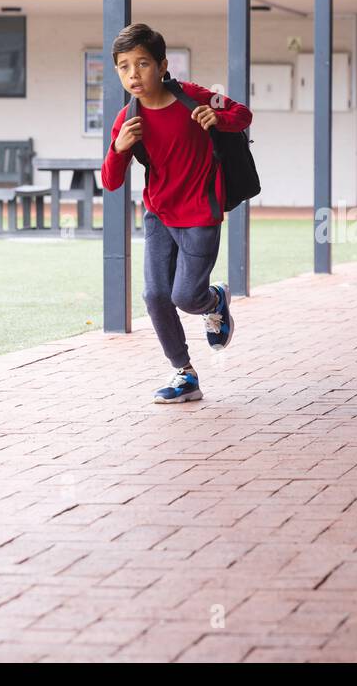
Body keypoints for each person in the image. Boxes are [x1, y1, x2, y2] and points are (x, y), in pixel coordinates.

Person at [100, 23, 253, 404]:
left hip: (201, 214)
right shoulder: (127, 118)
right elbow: (111, 182)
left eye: (143, 64)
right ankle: (184, 373)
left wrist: (218, 119)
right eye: (124, 67)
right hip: (158, 215)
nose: (134, 75)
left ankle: (214, 300)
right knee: (155, 295)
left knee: (185, 296)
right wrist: (118, 148)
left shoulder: (192, 97)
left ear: (163, 65)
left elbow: (242, 113)